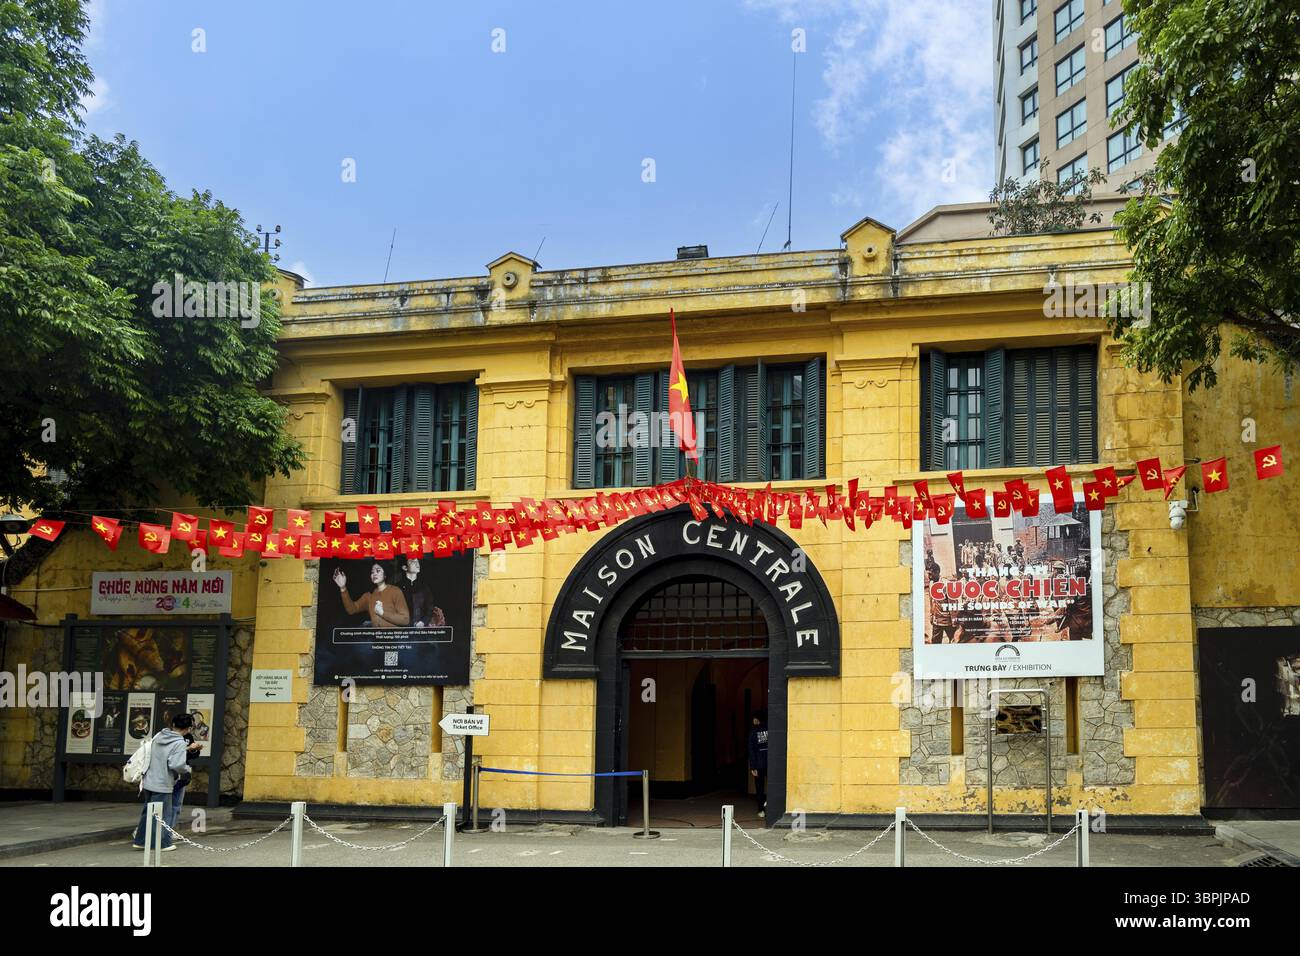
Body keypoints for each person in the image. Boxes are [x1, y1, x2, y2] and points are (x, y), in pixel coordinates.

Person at [131, 713, 194, 851]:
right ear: (188, 728)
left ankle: (140, 841)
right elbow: (176, 765)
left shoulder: (159, 735)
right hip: (163, 782)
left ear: (172, 724)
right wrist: (187, 769)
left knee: (147, 813)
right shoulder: (179, 742)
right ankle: (163, 844)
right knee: (163, 814)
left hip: (149, 780)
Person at [334, 561, 410, 627]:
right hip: (376, 640)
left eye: (378, 571)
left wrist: (382, 613)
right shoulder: (368, 596)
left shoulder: (395, 591)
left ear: (385, 575)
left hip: (395, 640)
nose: (374, 574)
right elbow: (351, 609)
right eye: (372, 572)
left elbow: (405, 620)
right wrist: (343, 588)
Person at [167, 722, 205, 838]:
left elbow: (193, 756)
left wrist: (195, 749)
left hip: (183, 770)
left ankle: (171, 829)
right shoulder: (167, 737)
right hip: (169, 772)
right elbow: (170, 754)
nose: (188, 730)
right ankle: (145, 829)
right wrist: (188, 748)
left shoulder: (188, 737)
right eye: (187, 728)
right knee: (164, 802)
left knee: (177, 803)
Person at [394, 556, 444, 628]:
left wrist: (423, 622)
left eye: (417, 561)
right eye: (412, 562)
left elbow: (429, 609)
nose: (417, 564)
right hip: (401, 630)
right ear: (405, 567)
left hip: (420, 629)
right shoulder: (396, 588)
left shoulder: (424, 587)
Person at [747, 710, 769, 817]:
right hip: (770, 764)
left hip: (758, 764)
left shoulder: (753, 732)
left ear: (756, 719)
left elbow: (751, 750)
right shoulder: (771, 730)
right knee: (772, 786)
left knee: (759, 788)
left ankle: (761, 810)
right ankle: (769, 805)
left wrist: (753, 766)